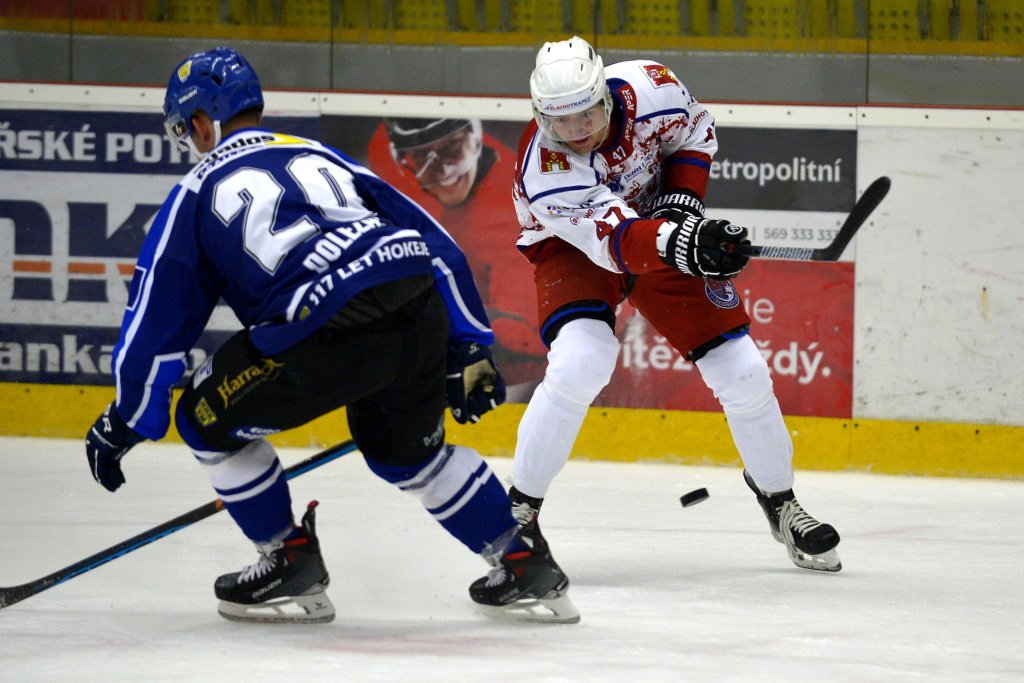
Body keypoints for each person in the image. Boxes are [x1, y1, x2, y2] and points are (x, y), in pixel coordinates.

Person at [83, 46, 579, 624]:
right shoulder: (319, 154)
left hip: (321, 330)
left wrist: (129, 416)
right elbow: (433, 242)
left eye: (186, 129)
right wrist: (467, 345)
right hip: (413, 303)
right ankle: (522, 561)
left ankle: (285, 556)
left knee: (200, 419)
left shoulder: (194, 193)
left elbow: (157, 320)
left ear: (200, 122)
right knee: (410, 456)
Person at [509, 36, 841, 572]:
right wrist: (681, 242)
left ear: (606, 96)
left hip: (654, 227)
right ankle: (519, 513)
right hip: (574, 246)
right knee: (580, 360)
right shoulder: (546, 168)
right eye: (559, 121)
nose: (575, 132)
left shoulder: (652, 86)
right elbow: (615, 242)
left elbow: (694, 131)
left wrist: (684, 198)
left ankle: (780, 501)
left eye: (586, 114)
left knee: (744, 371)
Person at [367, 118, 546, 398]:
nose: (443, 167)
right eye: (423, 154)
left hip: (516, 370)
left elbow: (529, 343)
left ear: (476, 140)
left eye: (452, 146)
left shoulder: (510, 223)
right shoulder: (388, 153)